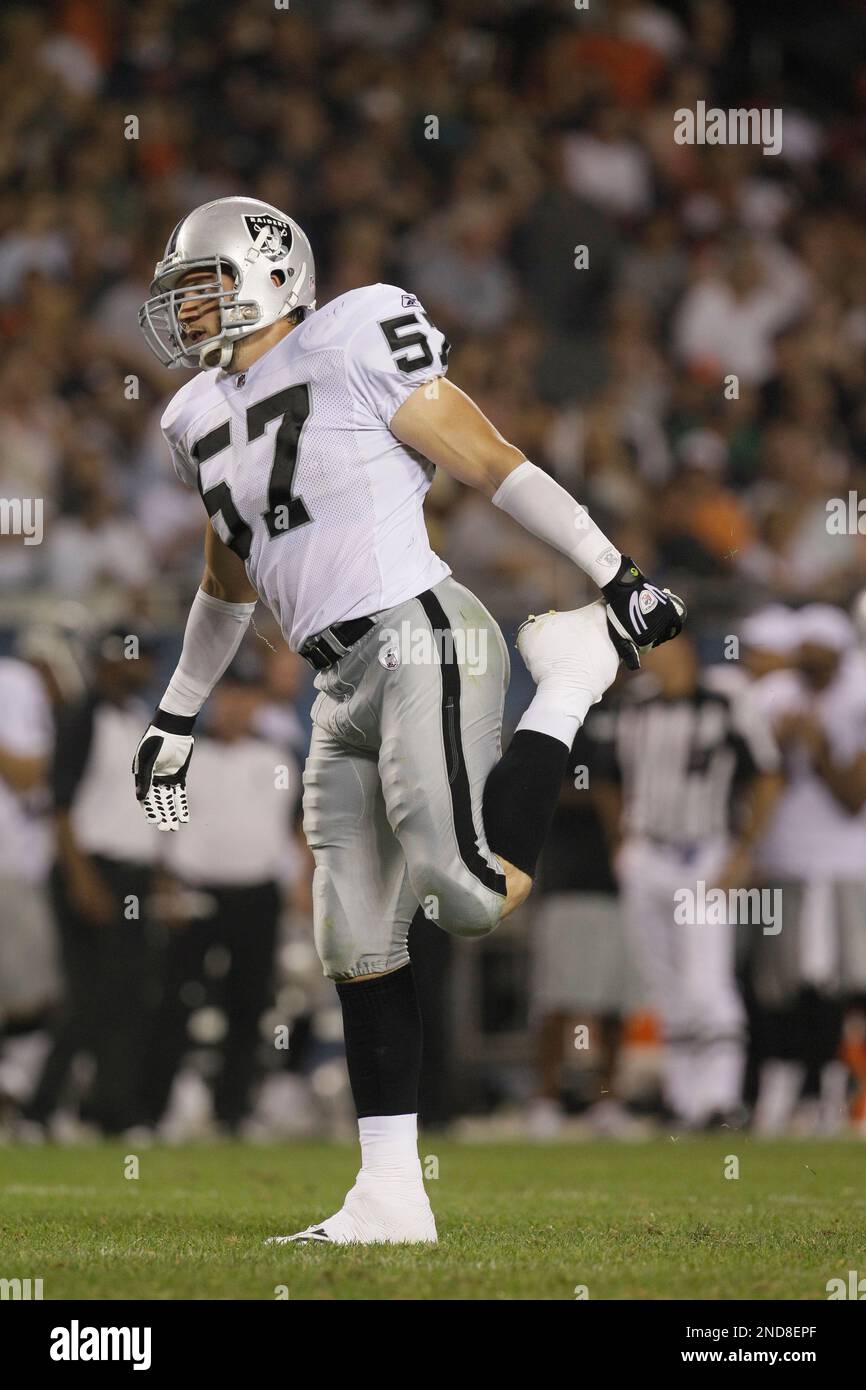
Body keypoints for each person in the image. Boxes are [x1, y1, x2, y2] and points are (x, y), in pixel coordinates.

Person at [131, 197, 684, 1244]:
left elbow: (486, 456)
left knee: (466, 898)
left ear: (267, 274)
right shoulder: (190, 416)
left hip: (421, 633)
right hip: (328, 681)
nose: (186, 312)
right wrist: (176, 713)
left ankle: (566, 677)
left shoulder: (353, 332)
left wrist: (612, 573)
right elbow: (225, 581)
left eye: (200, 286)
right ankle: (389, 1195)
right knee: (353, 939)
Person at [593, 632, 781, 1128]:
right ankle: (684, 1099)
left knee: (705, 979)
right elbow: (607, 778)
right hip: (647, 850)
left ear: (688, 651)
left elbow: (766, 774)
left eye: (665, 650)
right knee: (664, 981)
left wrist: (744, 853)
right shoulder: (635, 705)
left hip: (704, 852)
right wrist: (621, 847)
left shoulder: (726, 700)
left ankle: (719, 1099)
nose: (657, 660)